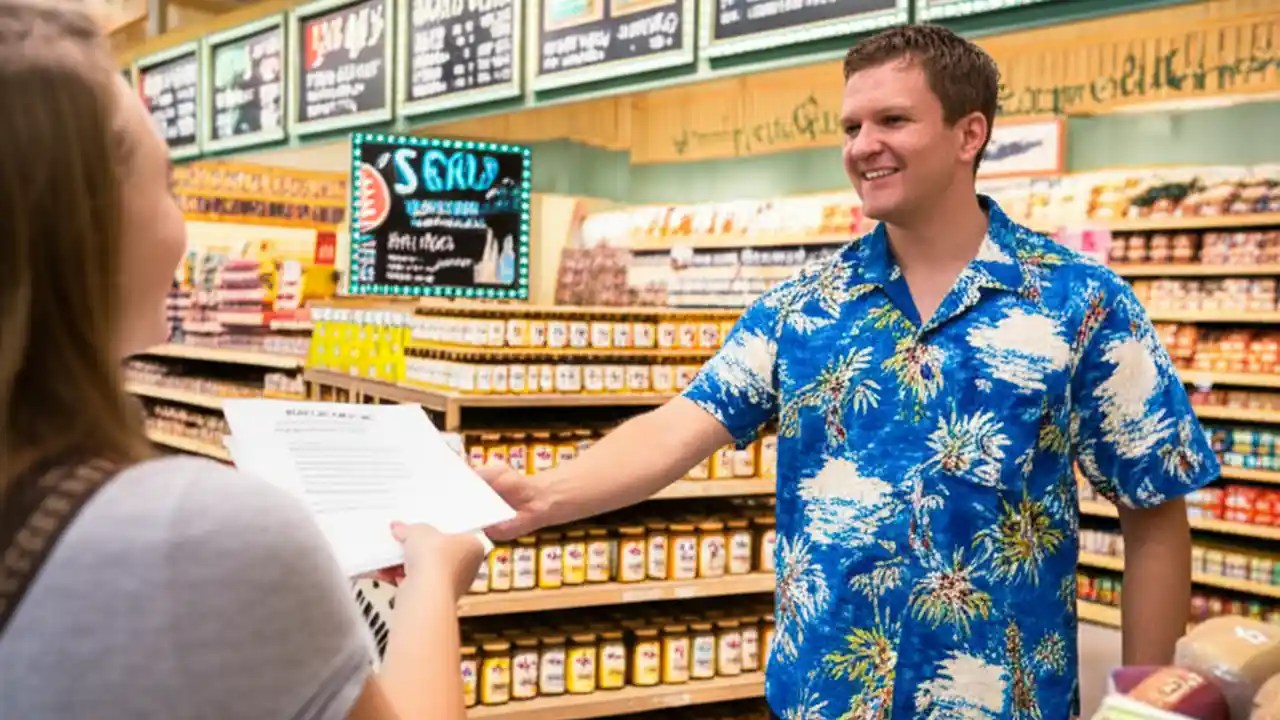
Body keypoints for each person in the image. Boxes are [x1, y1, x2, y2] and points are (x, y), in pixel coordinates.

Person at [481, 24, 1217, 719]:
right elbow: (682, 425)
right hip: (823, 696)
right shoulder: (803, 308)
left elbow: (1152, 509)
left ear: (970, 134)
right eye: (851, 127)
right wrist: (540, 498)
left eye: (892, 121)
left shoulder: (1080, 302)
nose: (864, 146)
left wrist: (1143, 704)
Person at [0, 2, 481, 718]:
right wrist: (433, 578)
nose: (183, 226)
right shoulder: (191, 537)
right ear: (86, 223)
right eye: (168, 182)